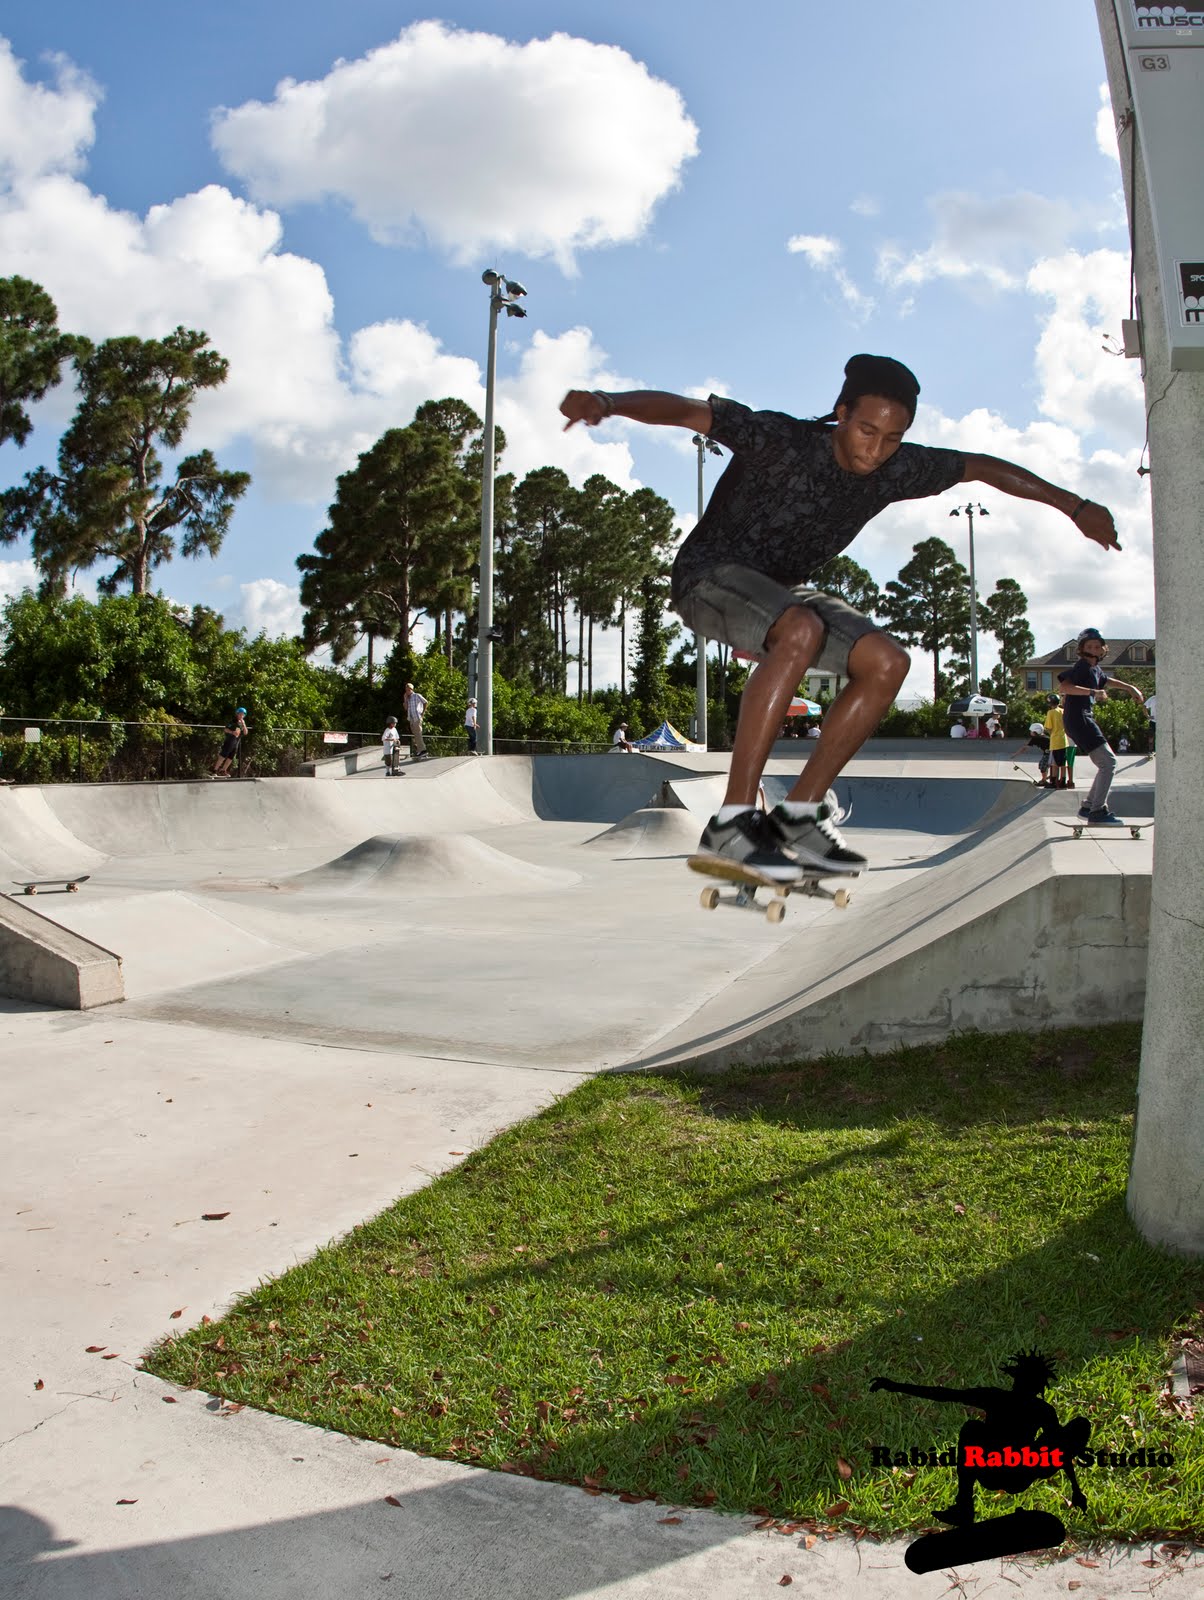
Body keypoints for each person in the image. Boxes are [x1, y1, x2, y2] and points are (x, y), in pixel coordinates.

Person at [561, 355, 1120, 882]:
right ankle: (733, 823)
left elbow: (981, 468)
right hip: (707, 577)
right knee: (800, 626)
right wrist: (607, 402)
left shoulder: (898, 469)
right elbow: (686, 411)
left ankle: (800, 815)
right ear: (841, 414)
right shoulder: (780, 440)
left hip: (780, 595)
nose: (876, 451)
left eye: (893, 439)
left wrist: (1074, 506)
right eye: (866, 432)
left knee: (887, 662)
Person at [1058, 628, 1145, 825]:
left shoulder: (1095, 669)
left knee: (1106, 763)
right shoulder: (1082, 667)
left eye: (1097, 646)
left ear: (1102, 649)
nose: (1094, 649)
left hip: (1081, 720)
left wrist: (1131, 688)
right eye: (1089, 646)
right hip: (1079, 720)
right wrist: (1093, 692)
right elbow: (1064, 687)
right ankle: (1097, 811)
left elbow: (1108, 681)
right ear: (1082, 649)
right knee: (1109, 763)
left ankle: (1089, 807)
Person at [212, 707, 248, 777]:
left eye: (243, 714)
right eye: (240, 714)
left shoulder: (242, 723)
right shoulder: (233, 721)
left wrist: (244, 724)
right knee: (223, 755)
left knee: (231, 757)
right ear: (237, 714)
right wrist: (232, 732)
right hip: (230, 740)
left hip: (236, 742)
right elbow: (225, 729)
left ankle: (223, 770)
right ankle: (214, 770)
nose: (241, 716)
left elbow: (245, 733)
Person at [1043, 694, 1069, 789]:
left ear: (1050, 703)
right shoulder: (1063, 711)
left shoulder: (1051, 713)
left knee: (1054, 763)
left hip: (1055, 741)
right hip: (1064, 740)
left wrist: (1051, 733)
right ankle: (1063, 781)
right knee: (1063, 763)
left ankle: (1053, 781)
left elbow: (1048, 728)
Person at [403, 682, 428, 761]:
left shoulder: (417, 695)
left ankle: (423, 750)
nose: (407, 691)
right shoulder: (408, 698)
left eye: (408, 690)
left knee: (418, 733)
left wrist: (423, 712)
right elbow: (406, 708)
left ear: (411, 689)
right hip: (411, 718)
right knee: (415, 735)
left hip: (417, 717)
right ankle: (420, 750)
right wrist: (405, 699)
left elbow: (425, 702)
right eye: (406, 690)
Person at [1145, 690, 1157, 755]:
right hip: (1153, 721)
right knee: (1151, 736)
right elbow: (1144, 707)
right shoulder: (1152, 699)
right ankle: (1150, 750)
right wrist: (1148, 716)